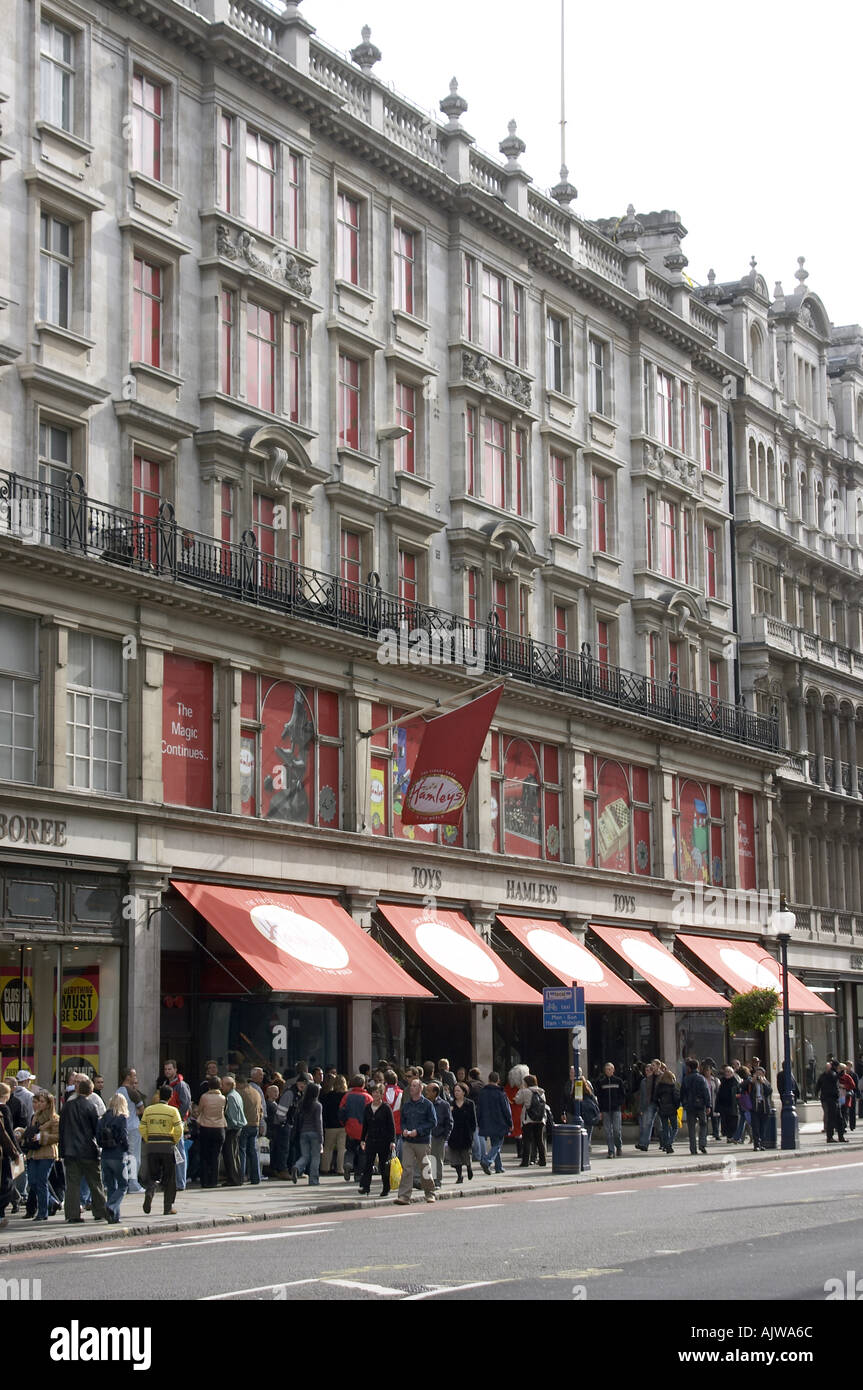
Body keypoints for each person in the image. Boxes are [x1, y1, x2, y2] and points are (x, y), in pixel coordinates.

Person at [58, 1077, 110, 1223]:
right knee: (95, 1182)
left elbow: (61, 1130)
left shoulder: (67, 1107)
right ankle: (100, 1210)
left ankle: (72, 1214)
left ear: (77, 1089)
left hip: (70, 1151)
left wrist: (62, 1150)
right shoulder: (90, 1106)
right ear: (91, 1091)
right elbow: (96, 1130)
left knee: (72, 1184)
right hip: (88, 1150)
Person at [140, 1085, 184, 1215]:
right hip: (167, 1147)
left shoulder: (149, 1110)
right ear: (170, 1097)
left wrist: (149, 1139)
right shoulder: (173, 1111)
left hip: (152, 1146)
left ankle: (149, 1193)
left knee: (153, 1175)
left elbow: (142, 1127)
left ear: (159, 1096)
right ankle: (167, 1207)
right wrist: (173, 1141)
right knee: (170, 1178)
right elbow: (179, 1129)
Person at [395, 1077, 437, 1205]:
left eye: (414, 1086)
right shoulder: (407, 1105)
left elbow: (433, 1122)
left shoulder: (427, 1105)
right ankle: (404, 1196)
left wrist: (418, 1131)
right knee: (407, 1168)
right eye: (411, 1086)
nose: (411, 1088)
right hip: (408, 1141)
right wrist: (404, 1130)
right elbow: (402, 1121)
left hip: (422, 1141)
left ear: (420, 1088)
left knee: (425, 1167)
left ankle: (430, 1193)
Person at [20, 1090, 59, 1223]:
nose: (39, 1104)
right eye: (38, 1101)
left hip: (47, 1153)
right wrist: (21, 1133)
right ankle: (52, 1201)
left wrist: (42, 1137)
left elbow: (57, 1137)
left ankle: (43, 1212)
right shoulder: (35, 1117)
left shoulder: (54, 1119)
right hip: (33, 1152)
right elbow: (30, 1131)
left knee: (42, 1181)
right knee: (32, 1182)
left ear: (49, 1104)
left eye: (42, 1101)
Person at [359, 1082, 396, 1196]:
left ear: (381, 1094)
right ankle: (365, 1187)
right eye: (374, 1092)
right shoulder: (368, 1108)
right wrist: (362, 1139)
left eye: (378, 1093)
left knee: (383, 1165)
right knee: (368, 1164)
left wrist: (392, 1141)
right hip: (371, 1139)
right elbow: (365, 1125)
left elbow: (391, 1125)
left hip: (383, 1140)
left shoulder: (385, 1108)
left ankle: (386, 1188)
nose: (375, 1095)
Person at [97, 1092, 129, 1223]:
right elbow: (124, 1137)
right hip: (118, 1154)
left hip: (105, 1155)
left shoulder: (102, 1119)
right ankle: (110, 1206)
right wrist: (126, 1149)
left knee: (111, 1186)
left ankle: (114, 1217)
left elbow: (98, 1138)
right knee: (123, 1185)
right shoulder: (122, 1118)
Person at [161, 1060, 191, 1190]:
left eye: (169, 1069)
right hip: (167, 1121)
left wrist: (177, 1119)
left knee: (179, 1150)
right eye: (166, 1069)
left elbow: (185, 1104)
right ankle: (171, 1180)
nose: (167, 1071)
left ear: (175, 1069)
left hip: (176, 1121)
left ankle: (180, 1182)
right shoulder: (166, 1084)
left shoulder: (181, 1085)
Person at [117, 1069, 146, 1194]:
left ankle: (124, 1181)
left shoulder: (118, 1091)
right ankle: (133, 1183)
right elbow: (142, 1110)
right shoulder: (133, 1092)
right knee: (134, 1156)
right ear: (128, 1077)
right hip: (133, 1126)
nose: (135, 1078)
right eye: (134, 1075)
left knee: (124, 1155)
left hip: (122, 1127)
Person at [476, 1072, 511, 1175]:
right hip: (500, 1122)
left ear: (488, 1079)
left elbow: (479, 1109)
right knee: (498, 1145)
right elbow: (506, 1110)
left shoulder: (483, 1093)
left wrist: (480, 1121)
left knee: (495, 1143)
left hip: (487, 1122)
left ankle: (498, 1167)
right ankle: (486, 1160)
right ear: (498, 1080)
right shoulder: (501, 1093)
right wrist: (510, 1123)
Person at [340, 1075, 372, 1182]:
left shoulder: (347, 1096)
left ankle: (348, 1163)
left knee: (350, 1149)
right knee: (363, 1152)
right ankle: (359, 1174)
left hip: (351, 1128)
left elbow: (341, 1112)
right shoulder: (368, 1097)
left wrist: (345, 1124)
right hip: (364, 1129)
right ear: (363, 1084)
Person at [195, 1076, 226, 1188]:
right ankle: (213, 1181)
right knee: (215, 1156)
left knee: (204, 1155)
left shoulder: (204, 1097)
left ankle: (205, 1180)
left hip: (206, 1127)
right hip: (219, 1128)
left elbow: (199, 1110)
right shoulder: (223, 1098)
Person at [291, 1082, 324, 1185]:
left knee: (305, 1156)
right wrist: (321, 1138)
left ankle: (297, 1166)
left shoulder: (301, 1104)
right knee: (315, 1157)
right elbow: (318, 1122)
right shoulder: (317, 1105)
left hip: (303, 1132)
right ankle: (313, 1180)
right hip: (314, 1132)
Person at [515, 1073, 548, 1167]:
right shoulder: (541, 1092)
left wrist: (520, 1089)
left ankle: (525, 1161)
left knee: (527, 1140)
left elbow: (518, 1101)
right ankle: (543, 1160)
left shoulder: (525, 1091)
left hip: (528, 1119)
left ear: (526, 1083)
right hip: (540, 1119)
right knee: (539, 1140)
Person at [448, 1082, 478, 1183]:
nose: (456, 1093)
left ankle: (469, 1168)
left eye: (458, 1091)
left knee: (466, 1154)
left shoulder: (469, 1103)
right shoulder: (451, 1104)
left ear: (464, 1092)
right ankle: (459, 1175)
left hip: (466, 1132)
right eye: (455, 1091)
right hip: (454, 1132)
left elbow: (473, 1120)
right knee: (455, 1157)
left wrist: (472, 1132)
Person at [0, 1086, 21, 1228]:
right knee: (6, 1184)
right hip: (2, 1155)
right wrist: (16, 1153)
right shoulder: (3, 1110)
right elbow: (6, 1133)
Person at [680, 1059, 711, 1155]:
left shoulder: (686, 1079)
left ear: (689, 1068)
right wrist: (708, 1105)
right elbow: (706, 1092)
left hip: (689, 1106)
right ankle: (702, 1144)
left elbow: (682, 1093)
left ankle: (693, 1148)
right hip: (700, 1105)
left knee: (691, 1128)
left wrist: (684, 1103)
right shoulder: (701, 1078)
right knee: (703, 1124)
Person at [596, 1062, 626, 1159]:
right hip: (605, 1110)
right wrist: (600, 1110)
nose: (608, 1071)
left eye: (610, 1069)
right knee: (608, 1131)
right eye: (607, 1069)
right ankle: (611, 1151)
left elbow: (623, 1094)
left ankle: (619, 1146)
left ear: (613, 1070)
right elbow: (599, 1097)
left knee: (617, 1130)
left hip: (616, 1109)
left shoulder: (618, 1081)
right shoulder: (601, 1082)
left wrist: (619, 1103)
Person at [221, 1075, 246, 1183]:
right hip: (238, 1127)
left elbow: (231, 1115)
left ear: (229, 1085)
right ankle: (238, 1177)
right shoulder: (236, 1094)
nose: (221, 1087)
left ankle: (233, 1178)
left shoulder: (230, 1097)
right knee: (235, 1154)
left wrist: (228, 1127)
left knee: (230, 1154)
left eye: (223, 1084)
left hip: (232, 1128)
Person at [321, 1074, 347, 1177]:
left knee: (327, 1148)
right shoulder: (345, 1096)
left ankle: (325, 1168)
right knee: (342, 1148)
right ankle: (340, 1169)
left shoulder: (328, 1095)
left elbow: (325, 1111)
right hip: (342, 1125)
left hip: (330, 1125)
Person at [238, 1078, 263, 1184]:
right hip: (255, 1124)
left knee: (241, 1151)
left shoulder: (239, 1093)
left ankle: (240, 1176)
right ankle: (256, 1177)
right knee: (253, 1152)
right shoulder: (256, 1092)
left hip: (244, 1125)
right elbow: (261, 1109)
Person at [427, 1082, 452, 1188]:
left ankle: (437, 1181)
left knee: (437, 1159)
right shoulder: (425, 1103)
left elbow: (449, 1122)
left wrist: (445, 1136)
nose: (426, 1093)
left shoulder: (444, 1105)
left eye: (428, 1091)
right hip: (426, 1135)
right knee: (427, 1159)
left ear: (435, 1092)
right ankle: (428, 1181)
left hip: (438, 1135)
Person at [816, 1061, 845, 1143]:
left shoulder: (827, 1075)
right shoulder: (832, 1074)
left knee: (838, 1118)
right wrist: (841, 1072)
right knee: (833, 1118)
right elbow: (836, 1077)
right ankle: (831, 1137)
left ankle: (840, 1136)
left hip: (831, 1098)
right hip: (831, 1099)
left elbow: (818, 1085)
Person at [654, 1067, 680, 1153]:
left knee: (665, 1128)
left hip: (662, 1110)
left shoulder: (659, 1087)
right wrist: (676, 1106)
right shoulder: (673, 1087)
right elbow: (676, 1098)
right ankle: (669, 1143)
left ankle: (666, 1145)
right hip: (672, 1109)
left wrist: (659, 1106)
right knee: (675, 1128)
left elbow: (655, 1098)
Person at [506, 1064, 528, 1160]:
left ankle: (520, 1152)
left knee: (518, 1133)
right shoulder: (523, 1088)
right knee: (520, 1133)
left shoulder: (510, 1087)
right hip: (518, 1112)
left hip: (514, 1111)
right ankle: (521, 1152)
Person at [635, 1062, 658, 1151]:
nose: (647, 1072)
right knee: (645, 1125)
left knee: (647, 1124)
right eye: (646, 1070)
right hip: (644, 1105)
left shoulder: (655, 1080)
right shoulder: (643, 1081)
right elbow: (641, 1096)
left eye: (649, 1070)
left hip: (651, 1104)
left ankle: (644, 1143)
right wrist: (640, 1107)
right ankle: (643, 1142)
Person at [749, 1069, 773, 1151]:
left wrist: (763, 1083)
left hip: (764, 1107)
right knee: (755, 1127)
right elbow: (743, 1088)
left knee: (763, 1127)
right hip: (755, 1107)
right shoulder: (752, 1082)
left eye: (760, 1074)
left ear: (763, 1074)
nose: (759, 1075)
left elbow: (769, 1092)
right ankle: (756, 1145)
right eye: (757, 1073)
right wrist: (752, 1081)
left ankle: (762, 1144)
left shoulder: (766, 1082)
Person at [716, 1066, 740, 1141]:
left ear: (732, 1073)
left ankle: (731, 1136)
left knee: (732, 1121)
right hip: (723, 1105)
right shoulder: (722, 1081)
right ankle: (728, 1136)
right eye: (726, 1072)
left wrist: (737, 1099)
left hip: (732, 1105)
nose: (727, 1073)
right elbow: (719, 1093)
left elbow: (739, 1093)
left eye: (729, 1072)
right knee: (725, 1121)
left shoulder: (735, 1082)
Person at [701, 1062, 720, 1141]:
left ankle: (716, 1134)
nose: (707, 1072)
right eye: (705, 1071)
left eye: (708, 1070)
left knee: (715, 1119)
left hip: (714, 1101)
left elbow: (718, 1090)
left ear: (711, 1071)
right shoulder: (702, 1079)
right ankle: (704, 1134)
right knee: (705, 1119)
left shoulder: (715, 1080)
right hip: (705, 1102)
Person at [839, 1063, 858, 1133]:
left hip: (845, 1095)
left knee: (844, 1111)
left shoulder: (847, 1076)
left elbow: (853, 1085)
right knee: (840, 1111)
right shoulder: (837, 1076)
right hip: (839, 1096)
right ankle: (841, 1126)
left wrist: (844, 1086)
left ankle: (844, 1125)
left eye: (841, 1069)